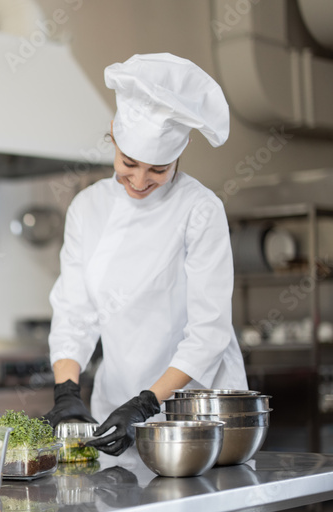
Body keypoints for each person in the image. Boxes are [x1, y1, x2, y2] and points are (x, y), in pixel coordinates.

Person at [44, 53, 247, 455]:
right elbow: (74, 312)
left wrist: (146, 403)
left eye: (158, 169)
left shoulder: (200, 209)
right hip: (114, 405)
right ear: (113, 139)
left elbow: (209, 332)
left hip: (196, 411)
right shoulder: (88, 207)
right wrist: (67, 391)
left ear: (180, 153)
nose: (138, 181)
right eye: (128, 163)